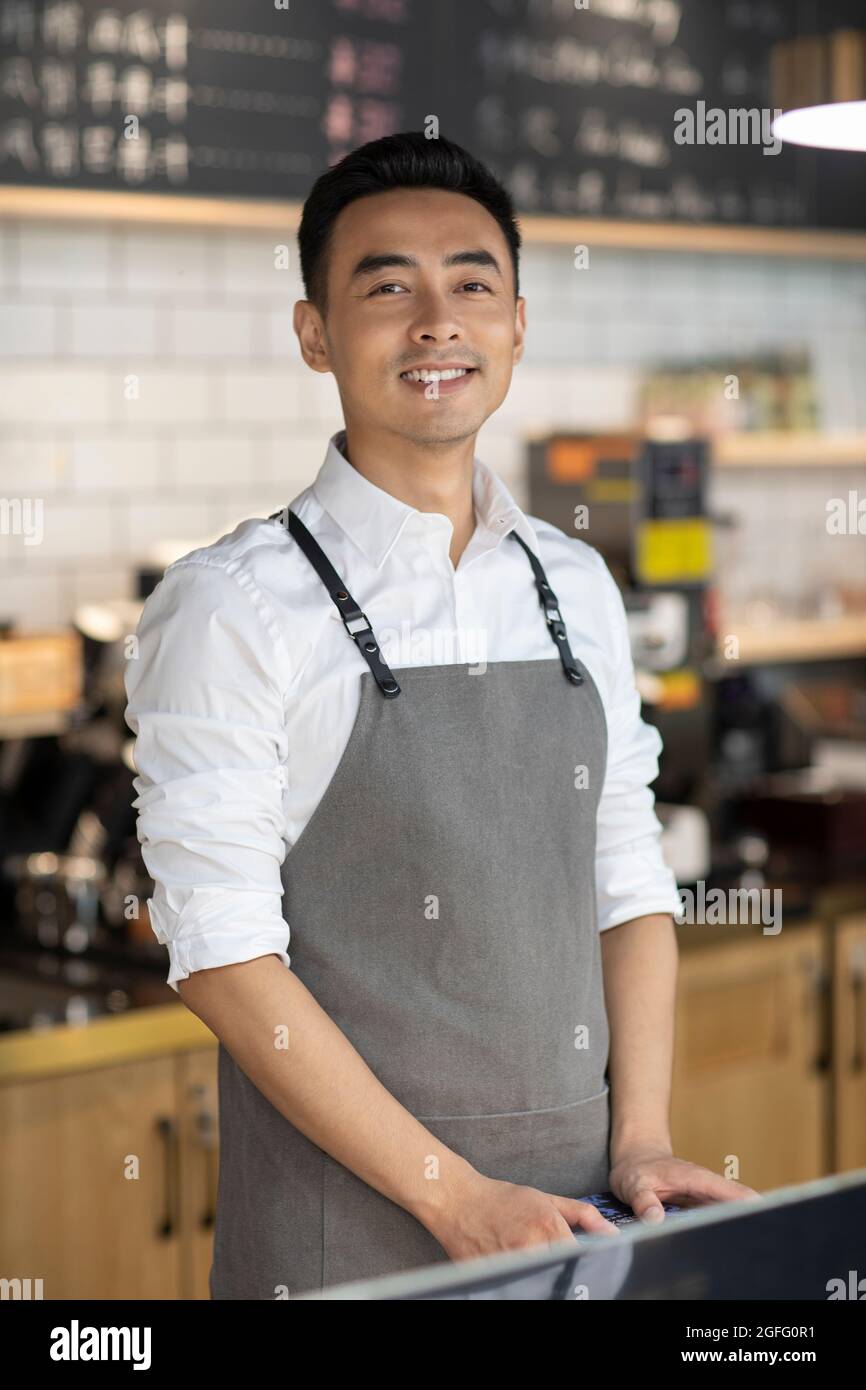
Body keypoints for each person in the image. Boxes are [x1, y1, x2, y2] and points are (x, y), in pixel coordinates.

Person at [124, 131, 759, 1300]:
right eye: (385, 287)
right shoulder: (229, 605)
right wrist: (451, 1195)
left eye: (470, 283)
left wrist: (642, 1143)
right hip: (346, 1255)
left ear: (516, 322)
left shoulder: (574, 587)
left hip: (576, 1236)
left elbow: (626, 881)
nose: (434, 322)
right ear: (314, 333)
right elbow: (220, 953)